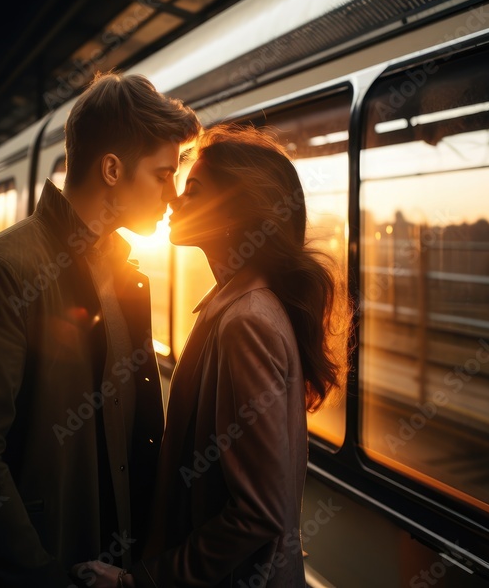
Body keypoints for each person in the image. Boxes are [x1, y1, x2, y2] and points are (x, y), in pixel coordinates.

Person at [0, 72, 200, 586]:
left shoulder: (123, 275)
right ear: (112, 169)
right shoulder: (1, 273)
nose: (173, 195)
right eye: (163, 175)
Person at [75, 124, 348, 587]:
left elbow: (258, 513)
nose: (174, 200)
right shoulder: (241, 305)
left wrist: (137, 581)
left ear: (234, 214)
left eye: (193, 190)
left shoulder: (246, 322)